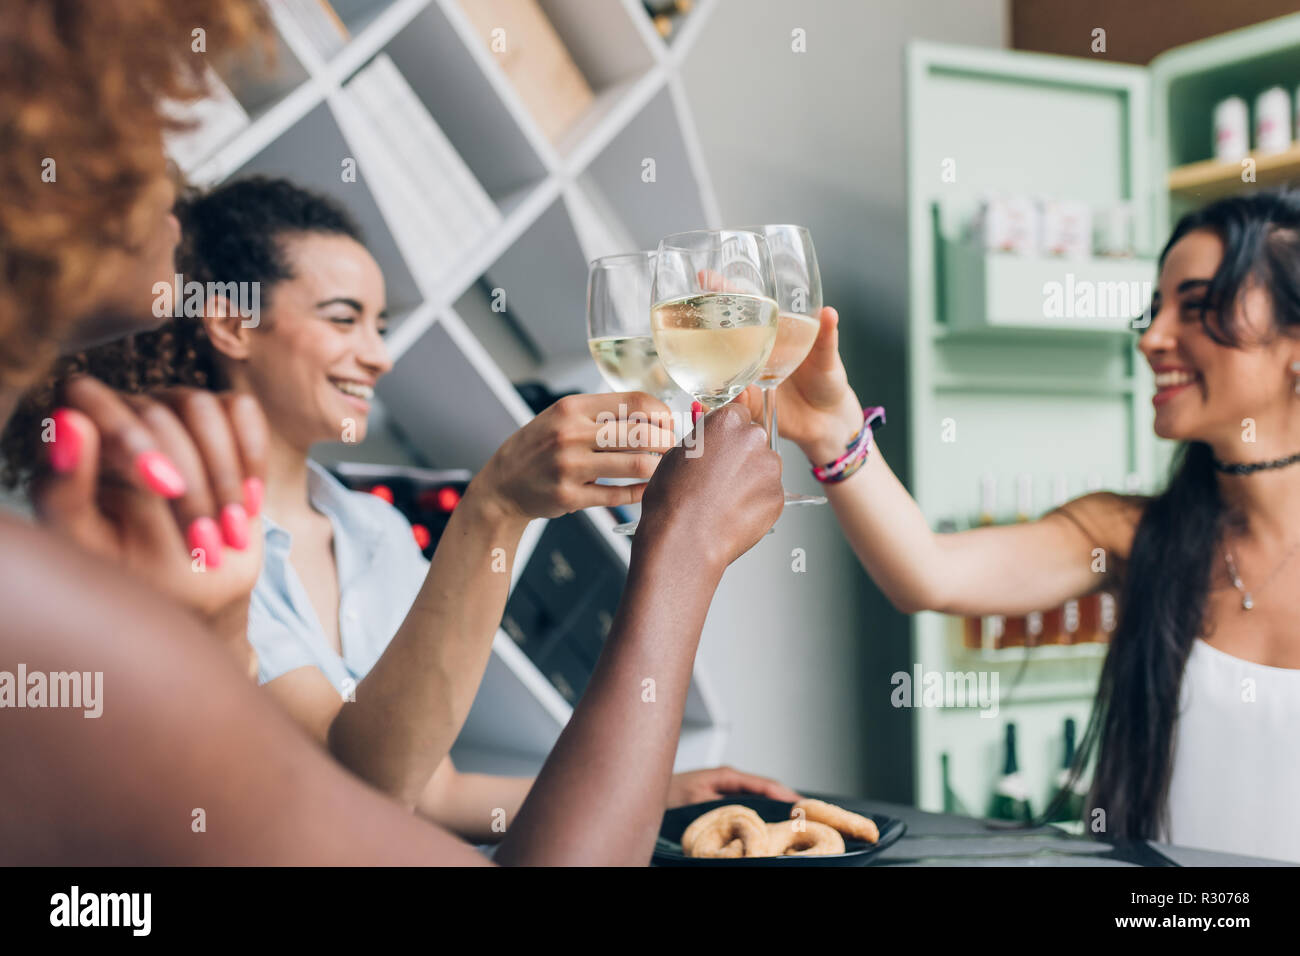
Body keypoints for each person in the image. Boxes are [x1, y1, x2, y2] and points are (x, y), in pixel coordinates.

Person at [0, 0, 784, 865]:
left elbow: (401, 796)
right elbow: (349, 797)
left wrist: (657, 791)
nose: (171, 177)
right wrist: (672, 553)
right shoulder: (78, 566)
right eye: (141, 120)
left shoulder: (309, 535)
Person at [740, 190, 1300, 863]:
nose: (1152, 339)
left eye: (1198, 306)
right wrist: (833, 432)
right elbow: (927, 574)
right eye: (1155, 310)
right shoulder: (1127, 534)